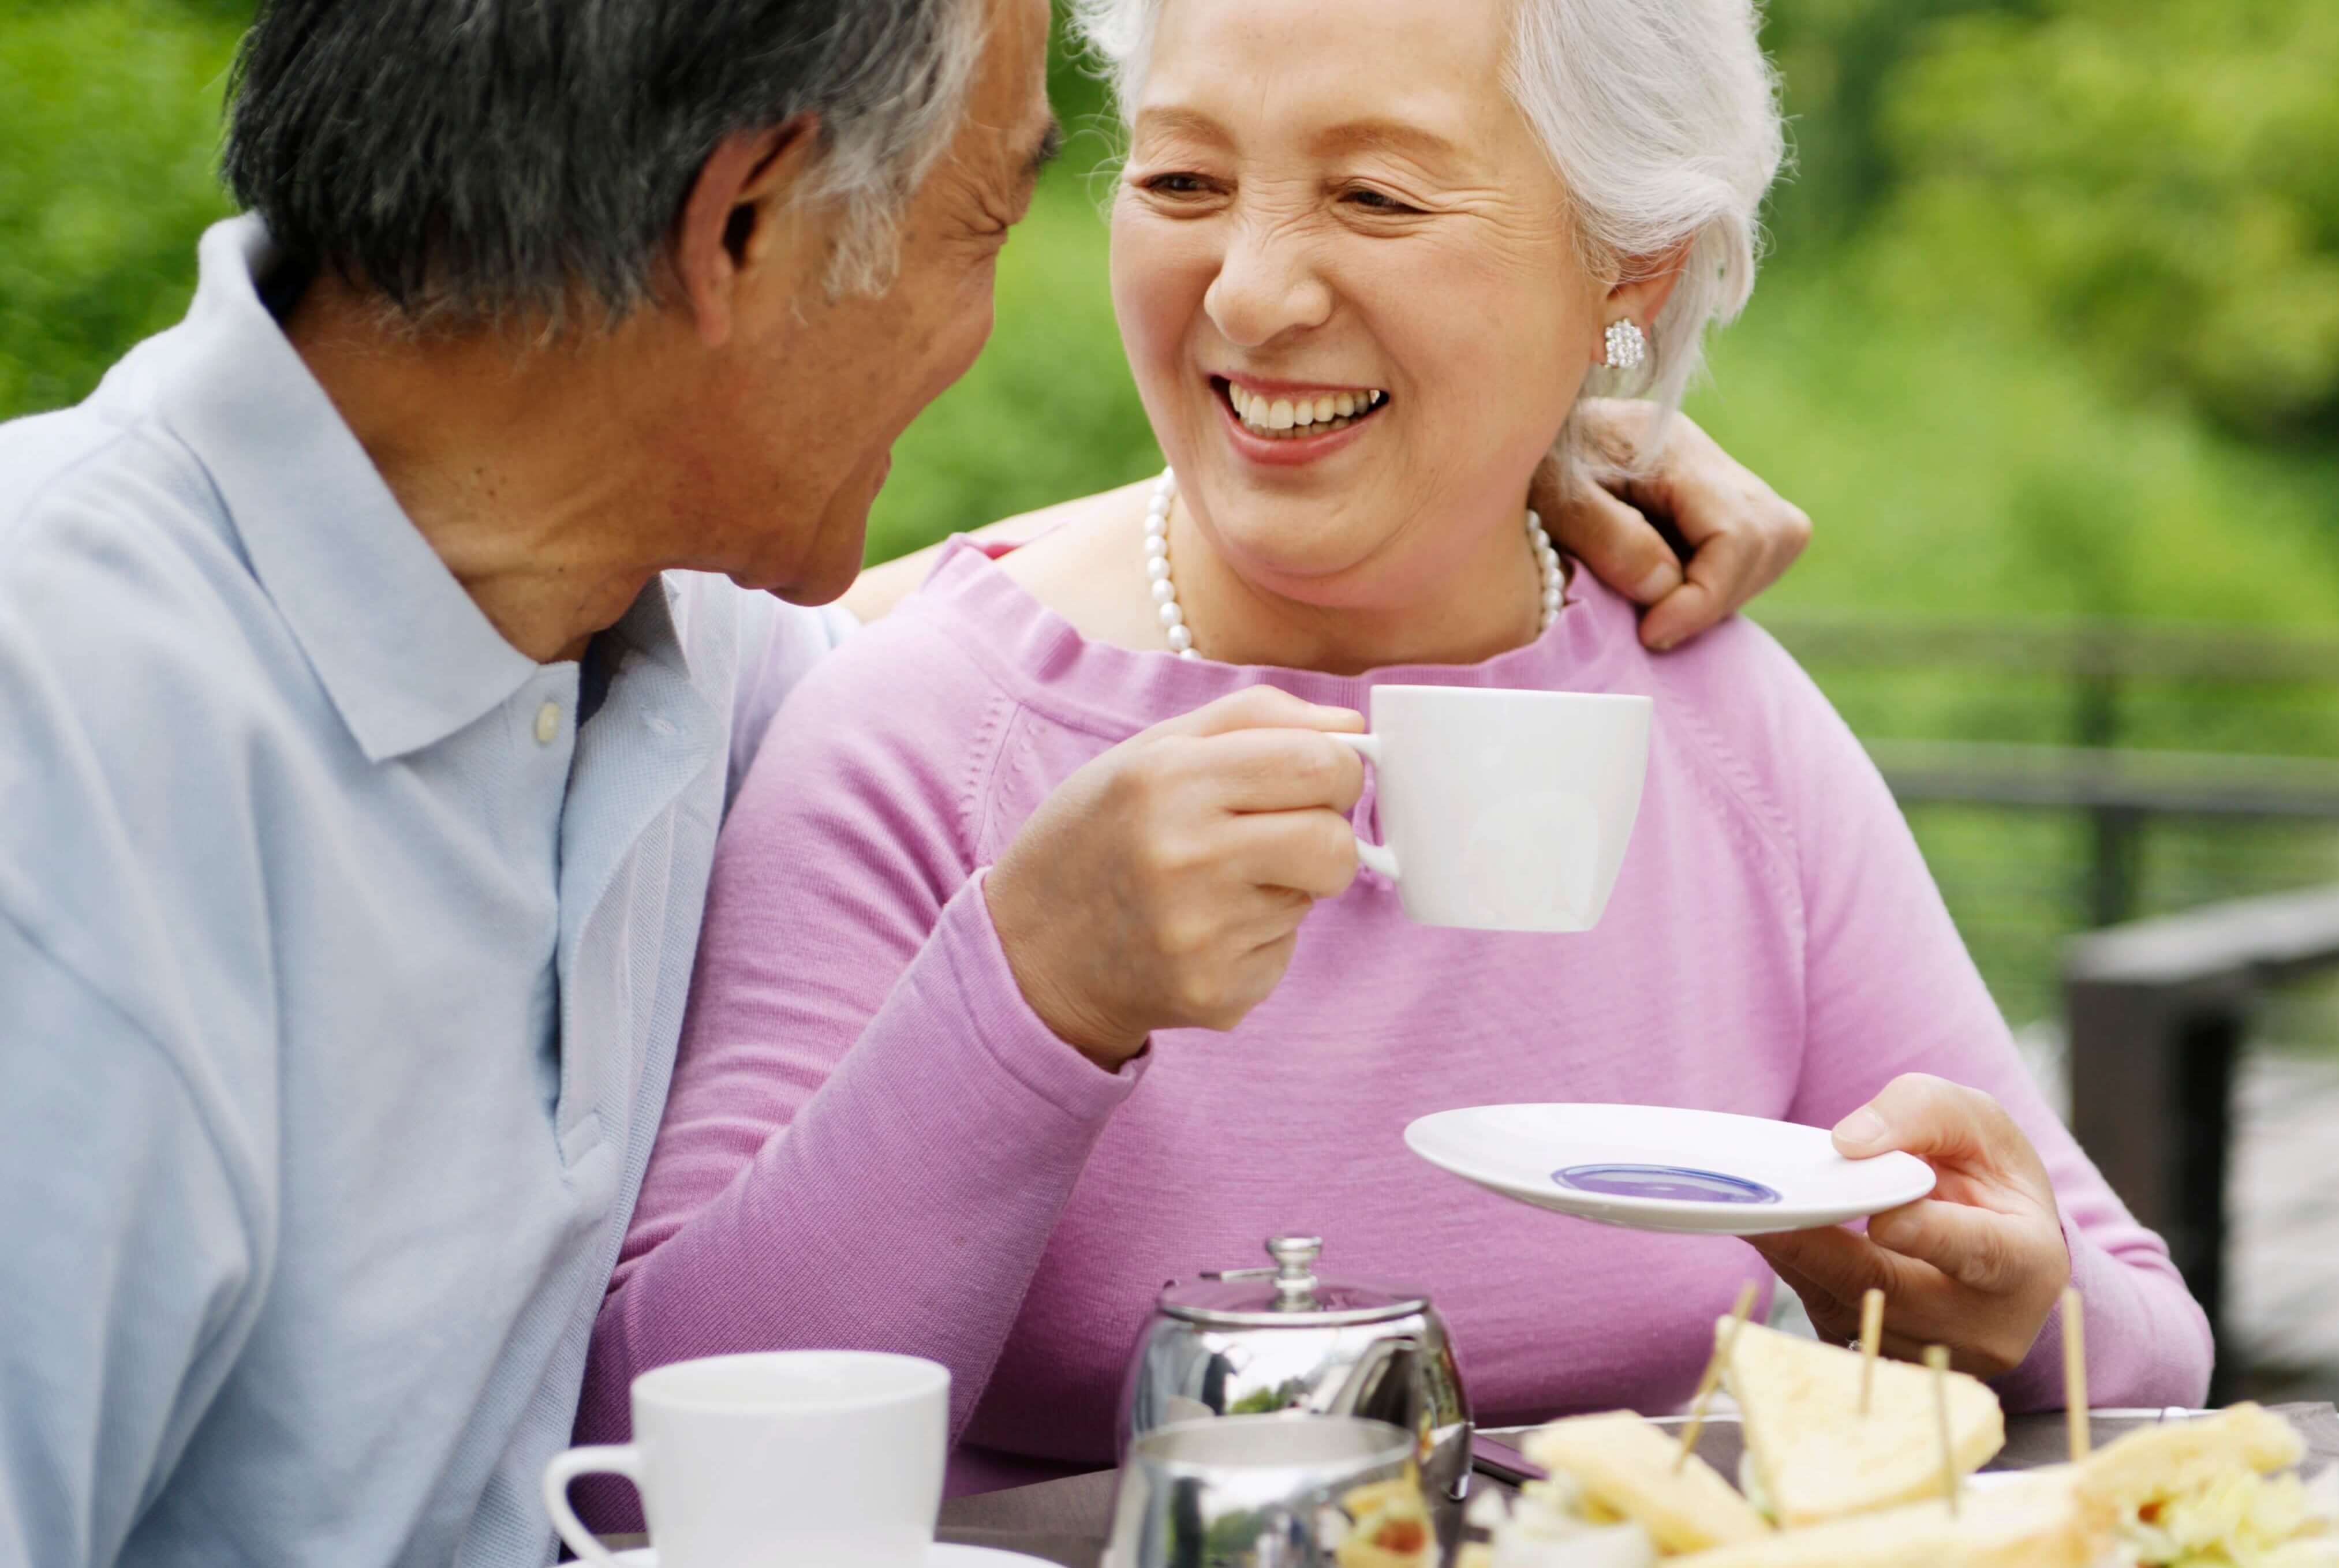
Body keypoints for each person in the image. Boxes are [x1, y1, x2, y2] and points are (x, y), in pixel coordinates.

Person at [0, 0, 1814, 1558]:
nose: (984, 329)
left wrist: (1512, 449)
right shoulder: (60, 757)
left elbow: (994, 644)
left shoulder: (660, 637)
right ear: (746, 225)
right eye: (983, 220)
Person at [582, 0, 2213, 1506]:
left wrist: (2007, 1306)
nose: (1248, 290)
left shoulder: (1714, 715)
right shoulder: (931, 724)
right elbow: (659, 1445)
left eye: (1375, 199)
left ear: (1631, 262)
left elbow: (2138, 1339)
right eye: (1184, 179)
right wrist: (1031, 998)